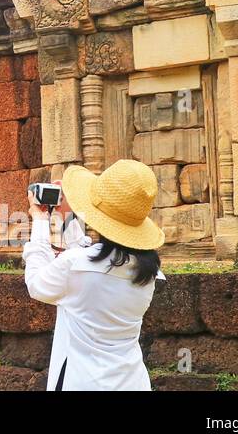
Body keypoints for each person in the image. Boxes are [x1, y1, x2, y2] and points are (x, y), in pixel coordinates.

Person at [22, 159, 166, 391]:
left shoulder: (75, 266)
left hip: (83, 382)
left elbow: (37, 284)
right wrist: (67, 217)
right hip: (131, 381)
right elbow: (95, 258)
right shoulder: (148, 271)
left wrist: (40, 222)